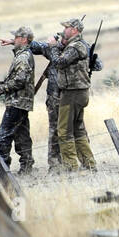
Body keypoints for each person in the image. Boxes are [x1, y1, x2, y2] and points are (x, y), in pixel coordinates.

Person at [50, 18, 97, 172]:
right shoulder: (80, 45)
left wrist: (54, 47)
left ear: (75, 30)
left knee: (63, 131)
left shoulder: (75, 46)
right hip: (79, 92)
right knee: (78, 130)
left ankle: (71, 166)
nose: (64, 30)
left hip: (72, 93)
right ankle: (89, 164)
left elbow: (59, 62)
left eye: (67, 27)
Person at [0, 25, 35, 174]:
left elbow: (20, 80)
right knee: (21, 135)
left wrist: (3, 88)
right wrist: (12, 42)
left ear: (23, 39)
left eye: (16, 37)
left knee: (3, 136)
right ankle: (27, 167)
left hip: (17, 102)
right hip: (22, 102)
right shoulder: (24, 53)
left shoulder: (23, 57)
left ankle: (1, 170)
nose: (14, 39)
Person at [27, 31, 64, 169]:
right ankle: (55, 165)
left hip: (70, 96)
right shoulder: (54, 49)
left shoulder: (76, 49)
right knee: (54, 130)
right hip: (54, 96)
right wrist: (15, 41)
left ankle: (81, 162)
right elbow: (36, 47)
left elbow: (98, 65)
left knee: (75, 128)